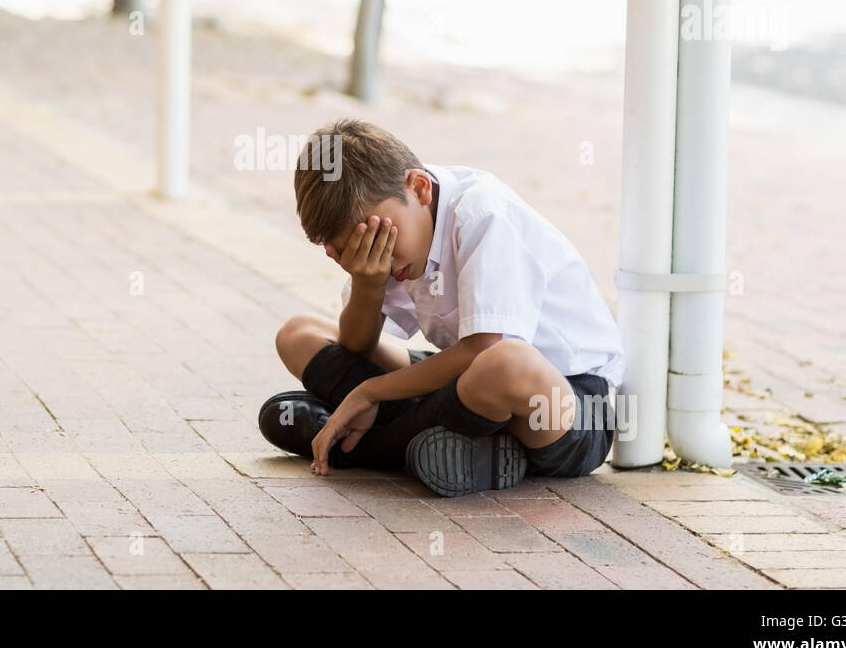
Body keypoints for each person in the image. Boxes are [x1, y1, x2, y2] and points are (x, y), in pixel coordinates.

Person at [260, 117, 624, 496]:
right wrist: (369, 285)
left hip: (566, 409)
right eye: (355, 249)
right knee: (298, 334)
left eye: (381, 237)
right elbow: (356, 349)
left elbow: (485, 348)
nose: (376, 252)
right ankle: (456, 450)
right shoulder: (400, 226)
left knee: (505, 362)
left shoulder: (482, 213)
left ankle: (368, 448)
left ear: (418, 188)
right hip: (464, 389)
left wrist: (369, 393)